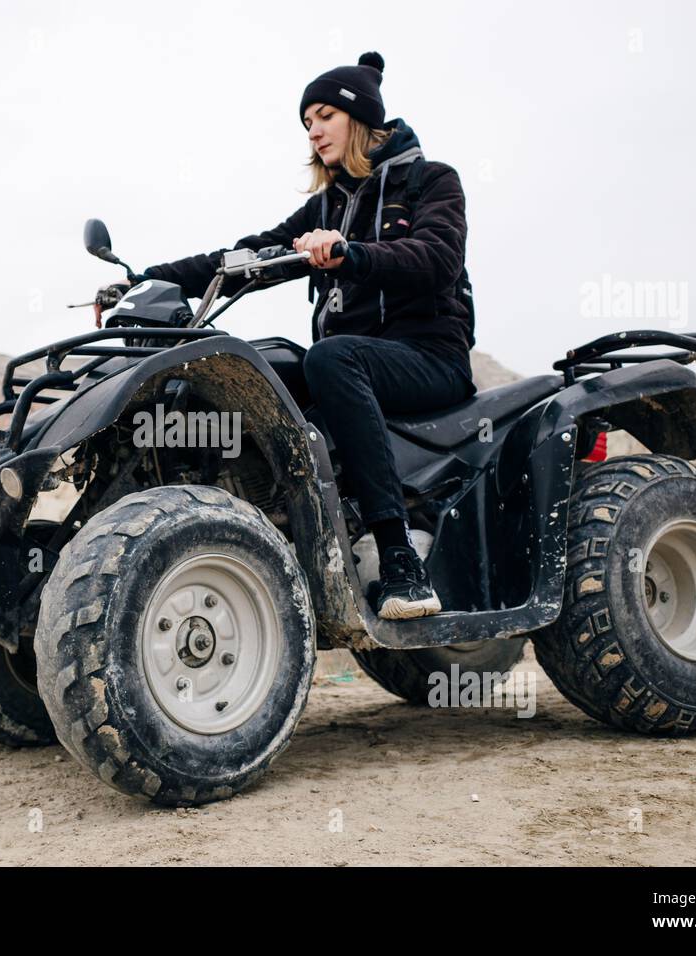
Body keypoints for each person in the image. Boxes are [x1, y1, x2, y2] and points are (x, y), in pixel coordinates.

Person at [99, 52, 476, 620]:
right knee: (264, 368)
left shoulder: (431, 181)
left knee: (330, 359)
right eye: (306, 122)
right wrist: (146, 279)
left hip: (430, 358)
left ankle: (400, 558)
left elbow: (437, 258)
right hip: (353, 361)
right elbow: (240, 255)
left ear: (362, 120)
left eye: (325, 115)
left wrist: (351, 254)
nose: (314, 131)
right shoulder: (323, 205)